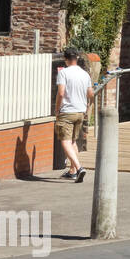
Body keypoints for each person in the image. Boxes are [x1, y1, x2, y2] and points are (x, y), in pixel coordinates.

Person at [55, 47, 93, 182]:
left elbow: (61, 93)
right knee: (73, 141)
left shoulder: (64, 73)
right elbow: (90, 94)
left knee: (64, 141)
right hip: (80, 112)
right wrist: (87, 106)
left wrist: (57, 109)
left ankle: (79, 167)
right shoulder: (85, 74)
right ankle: (73, 171)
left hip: (67, 111)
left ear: (65, 59)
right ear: (77, 58)